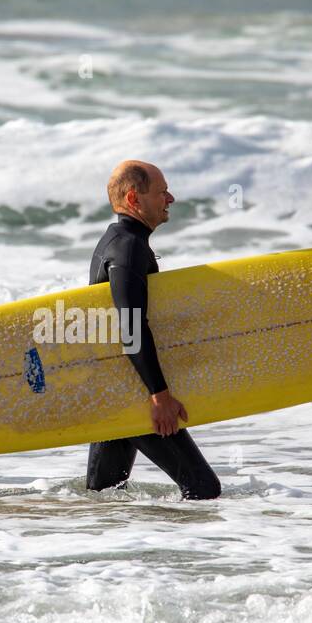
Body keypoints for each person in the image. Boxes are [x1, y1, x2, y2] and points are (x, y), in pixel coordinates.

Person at [85, 160, 221, 500]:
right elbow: (130, 326)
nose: (170, 198)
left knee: (103, 497)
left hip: (113, 389)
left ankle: (113, 547)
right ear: (134, 199)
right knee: (203, 488)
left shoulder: (116, 240)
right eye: (162, 192)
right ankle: (181, 551)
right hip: (133, 391)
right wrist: (159, 395)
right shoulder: (128, 249)